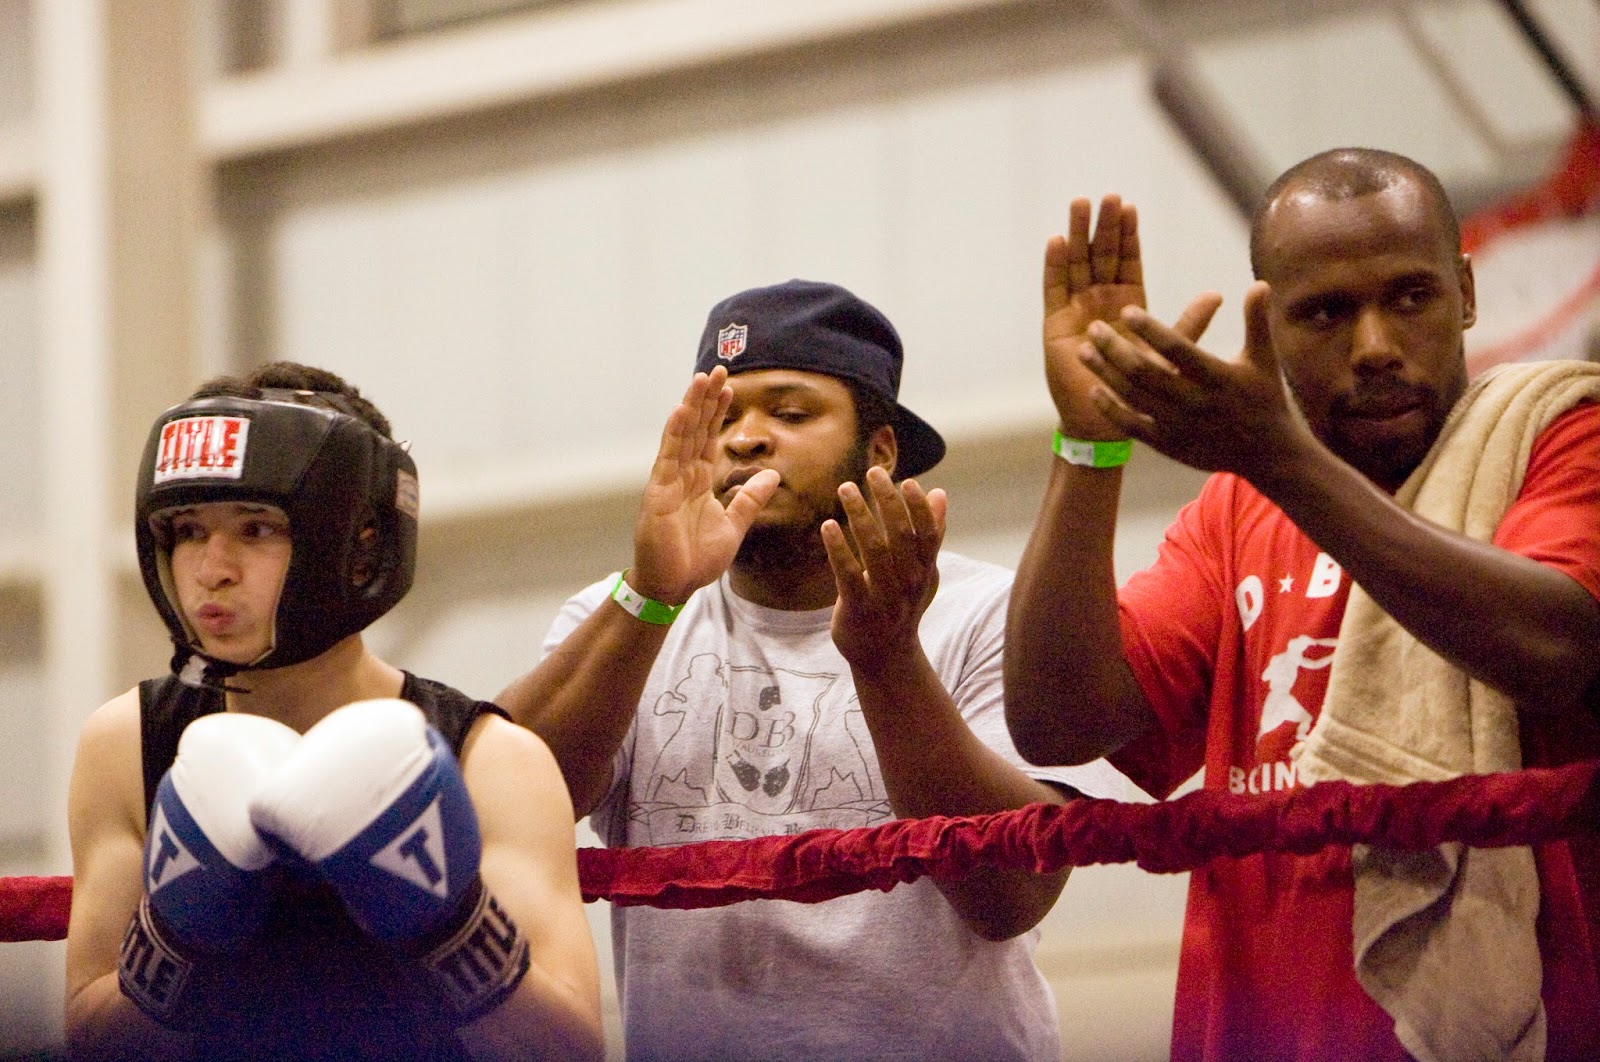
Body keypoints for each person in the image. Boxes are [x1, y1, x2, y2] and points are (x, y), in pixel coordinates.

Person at [1004, 152, 1600, 1061]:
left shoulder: (1561, 437)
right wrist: (1088, 447)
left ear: (1466, 294)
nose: (1373, 344)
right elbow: (1059, 720)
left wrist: (1283, 461)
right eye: (1324, 311)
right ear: (1272, 325)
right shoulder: (1235, 512)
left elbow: (1554, 648)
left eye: (1410, 297)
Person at [496, 278, 1136, 1061]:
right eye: (722, 417)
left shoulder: (991, 612)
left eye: (791, 413)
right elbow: (507, 806)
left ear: (880, 450)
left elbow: (1010, 896)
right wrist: (651, 596)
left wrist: (889, 661)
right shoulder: (626, 613)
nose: (746, 439)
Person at [64, 363, 604, 1061]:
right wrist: (177, 943)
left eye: (256, 529)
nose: (211, 568)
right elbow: (91, 1041)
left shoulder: (493, 761)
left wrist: (450, 930)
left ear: (360, 546)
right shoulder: (125, 742)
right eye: (188, 530)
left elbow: (571, 1051)